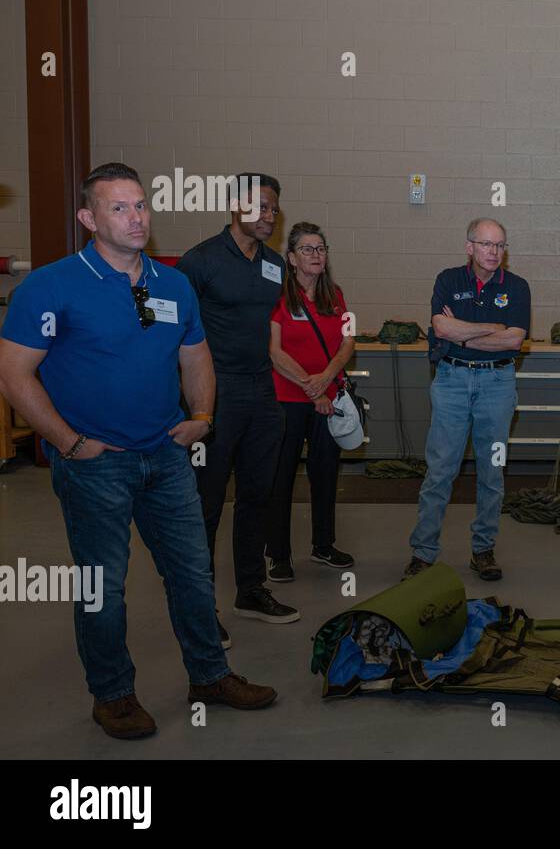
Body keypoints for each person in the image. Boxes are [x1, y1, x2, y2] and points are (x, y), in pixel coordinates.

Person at [0, 162, 277, 739]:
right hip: (95, 464)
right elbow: (14, 375)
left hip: (166, 455)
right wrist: (68, 442)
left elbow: (193, 353)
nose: (135, 217)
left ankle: (209, 675)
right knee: (105, 586)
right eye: (119, 207)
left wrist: (201, 417)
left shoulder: (166, 283)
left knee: (192, 573)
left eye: (141, 205)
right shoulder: (51, 286)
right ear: (88, 218)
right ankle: (114, 695)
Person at [178, 173, 297, 639]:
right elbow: (164, 324)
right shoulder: (200, 261)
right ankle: (200, 607)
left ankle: (250, 589)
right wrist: (187, 401)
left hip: (260, 391)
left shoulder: (273, 265)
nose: (269, 217)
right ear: (235, 207)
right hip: (213, 392)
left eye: (274, 210)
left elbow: (267, 328)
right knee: (206, 503)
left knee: (256, 495)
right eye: (262, 208)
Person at [405, 218, 530, 582]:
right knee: (441, 470)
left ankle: (483, 550)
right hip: (451, 381)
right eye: (487, 244)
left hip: (498, 382)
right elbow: (441, 329)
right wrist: (493, 328)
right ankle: (423, 553)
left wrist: (462, 334)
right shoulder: (448, 280)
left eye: (500, 246)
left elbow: (514, 341)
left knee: (492, 472)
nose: (494, 252)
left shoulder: (518, 287)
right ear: (470, 247)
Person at [265, 222, 356, 581]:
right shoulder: (277, 297)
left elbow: (348, 342)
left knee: (325, 475)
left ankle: (323, 545)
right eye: (307, 249)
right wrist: (312, 388)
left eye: (320, 248)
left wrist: (326, 382)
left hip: (328, 399)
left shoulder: (336, 295)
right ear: (291, 258)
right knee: (281, 478)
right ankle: (278, 554)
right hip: (287, 400)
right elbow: (273, 351)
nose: (316, 255)